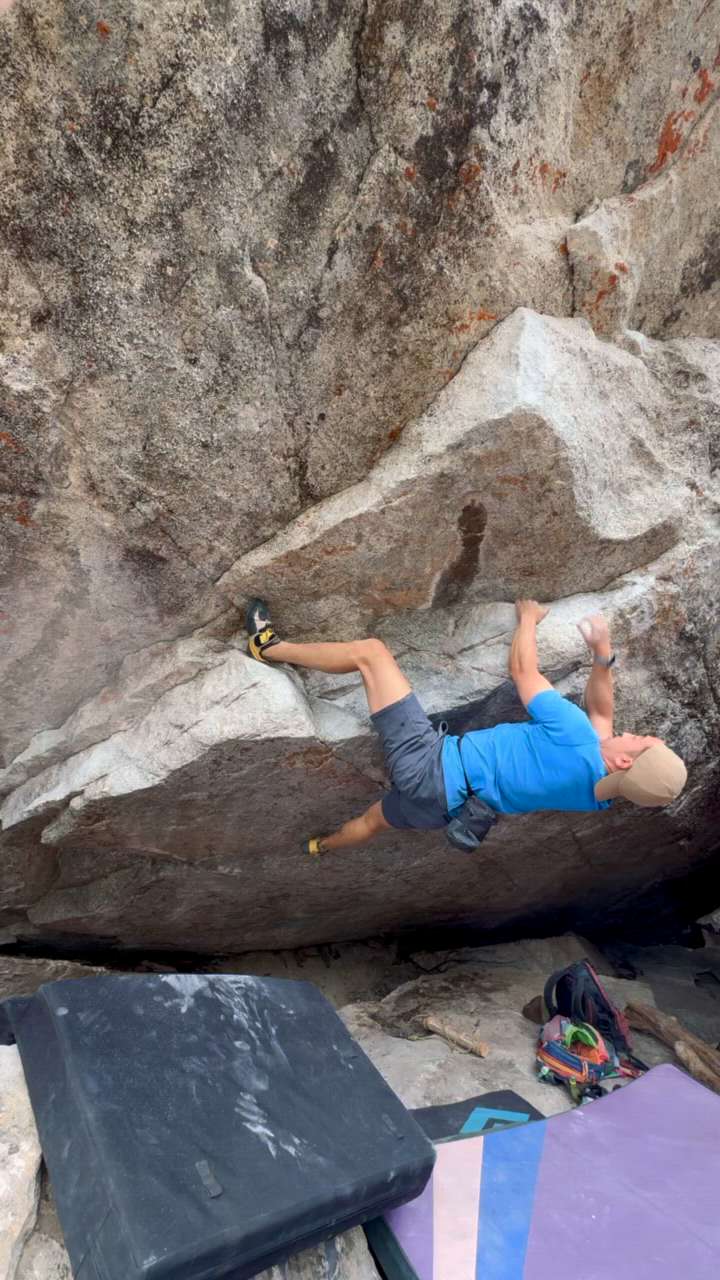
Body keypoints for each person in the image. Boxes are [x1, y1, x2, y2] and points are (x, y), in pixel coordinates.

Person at [244, 597, 687, 855]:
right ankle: (320, 847)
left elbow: (524, 672)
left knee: (372, 653)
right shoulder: (599, 796)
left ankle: (268, 648)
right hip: (443, 811)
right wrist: (601, 656)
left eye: (644, 740)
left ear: (626, 759)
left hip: (429, 764)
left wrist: (528, 619)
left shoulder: (575, 734)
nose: (637, 732)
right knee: (375, 822)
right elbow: (603, 718)